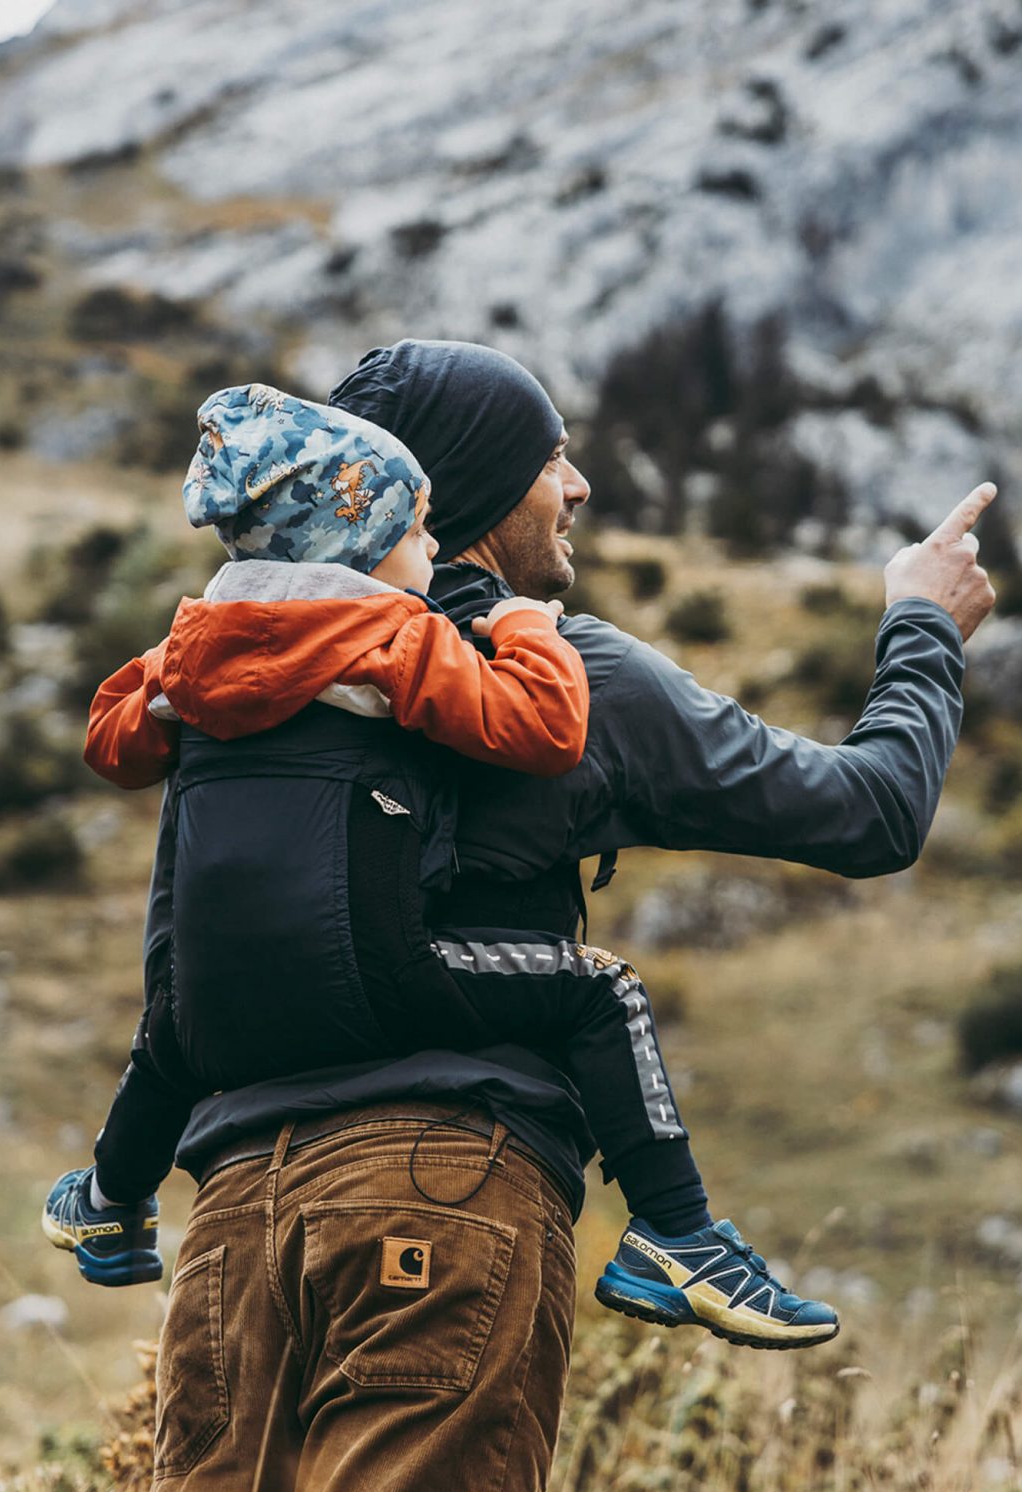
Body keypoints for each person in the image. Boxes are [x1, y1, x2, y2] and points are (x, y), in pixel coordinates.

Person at [139, 341, 995, 1492]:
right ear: (477, 490)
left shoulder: (238, 690)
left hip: (232, 1222)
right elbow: (874, 812)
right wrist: (922, 627)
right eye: (553, 458)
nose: (579, 485)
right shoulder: (562, 675)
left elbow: (175, 974)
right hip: (440, 1192)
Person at [44, 381, 842, 1350]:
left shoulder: (190, 658)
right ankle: (676, 1236)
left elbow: (111, 739)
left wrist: (160, 676)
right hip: (377, 972)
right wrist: (524, 626)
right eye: (419, 531)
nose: (434, 552)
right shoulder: (389, 637)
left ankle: (107, 1202)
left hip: (215, 1017)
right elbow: (541, 727)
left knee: (162, 1035)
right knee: (604, 997)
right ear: (360, 543)